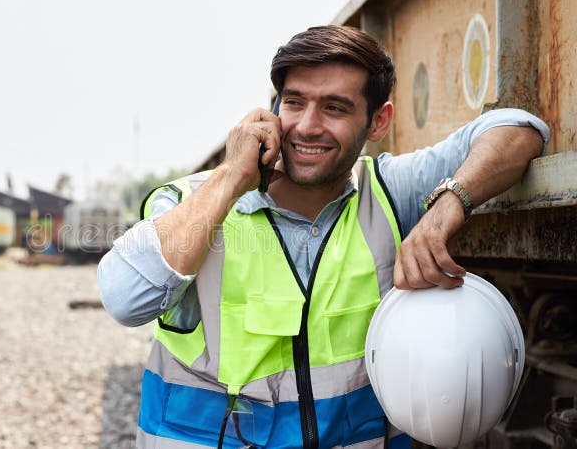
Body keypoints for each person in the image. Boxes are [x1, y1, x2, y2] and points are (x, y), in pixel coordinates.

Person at [97, 25, 549, 449]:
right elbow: (124, 298)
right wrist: (233, 175)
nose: (308, 125)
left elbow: (518, 129)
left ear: (378, 122)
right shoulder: (193, 201)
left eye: (334, 107)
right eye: (294, 102)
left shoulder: (389, 192)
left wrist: (449, 205)